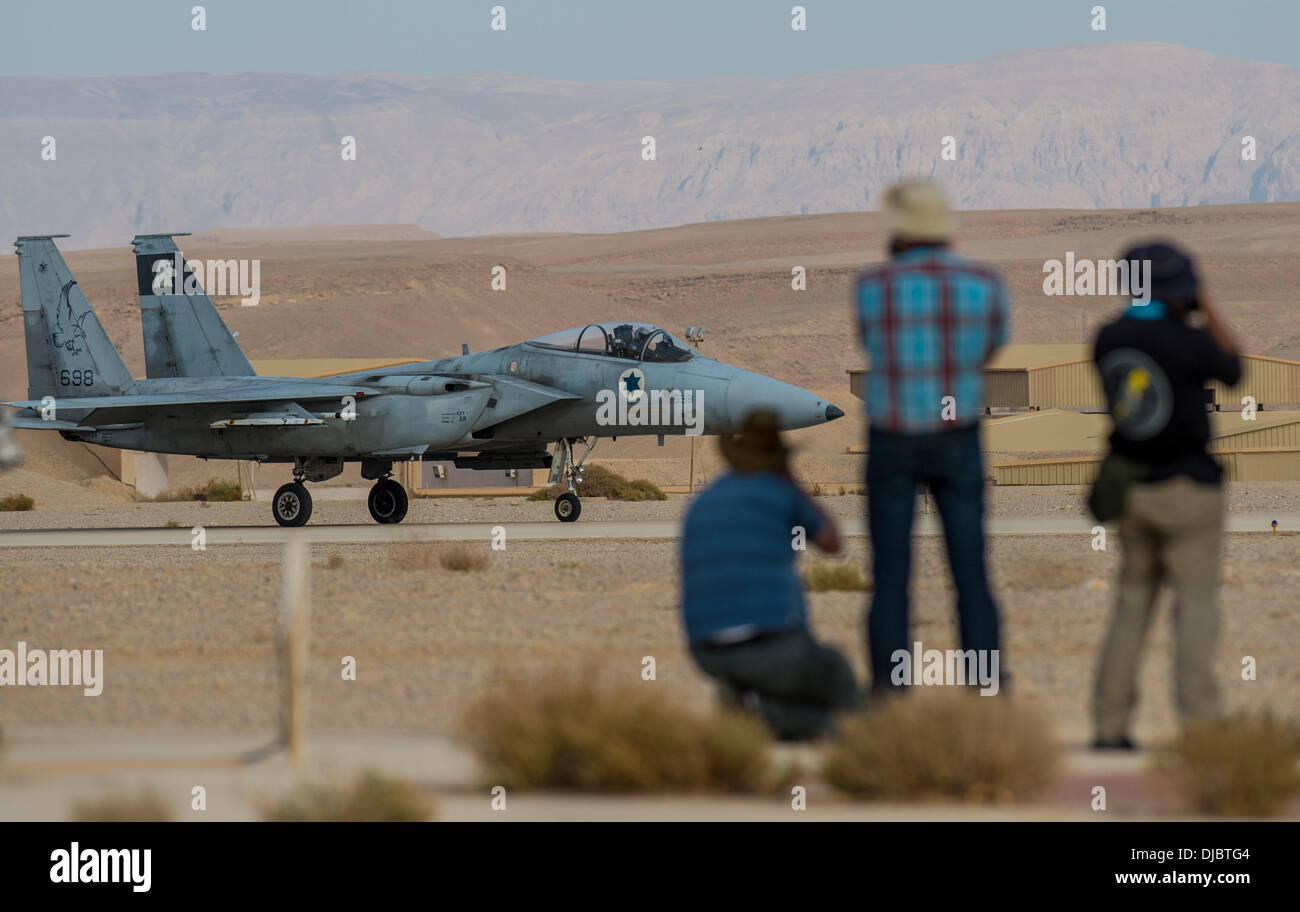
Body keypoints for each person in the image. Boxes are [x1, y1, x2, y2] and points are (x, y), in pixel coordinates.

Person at [854, 180, 1009, 695]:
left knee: (891, 577)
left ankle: (888, 691)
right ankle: (985, 688)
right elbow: (987, 350)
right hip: (957, 436)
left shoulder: (873, 285)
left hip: (892, 436)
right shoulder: (984, 283)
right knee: (970, 572)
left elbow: (872, 344)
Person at [1091, 241, 1241, 749]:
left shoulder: (1108, 339)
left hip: (1131, 489)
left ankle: (1110, 726)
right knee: (1194, 608)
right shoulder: (1190, 342)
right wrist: (1208, 308)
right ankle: (1199, 727)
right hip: (1188, 488)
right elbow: (1235, 370)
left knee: (1132, 606)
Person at [680, 410, 859, 740]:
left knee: (779, 690)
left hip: (706, 648)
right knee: (834, 670)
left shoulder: (703, 501)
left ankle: (748, 709)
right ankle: (860, 741)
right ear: (778, 458)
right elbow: (832, 542)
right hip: (770, 642)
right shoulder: (780, 491)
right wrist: (793, 482)